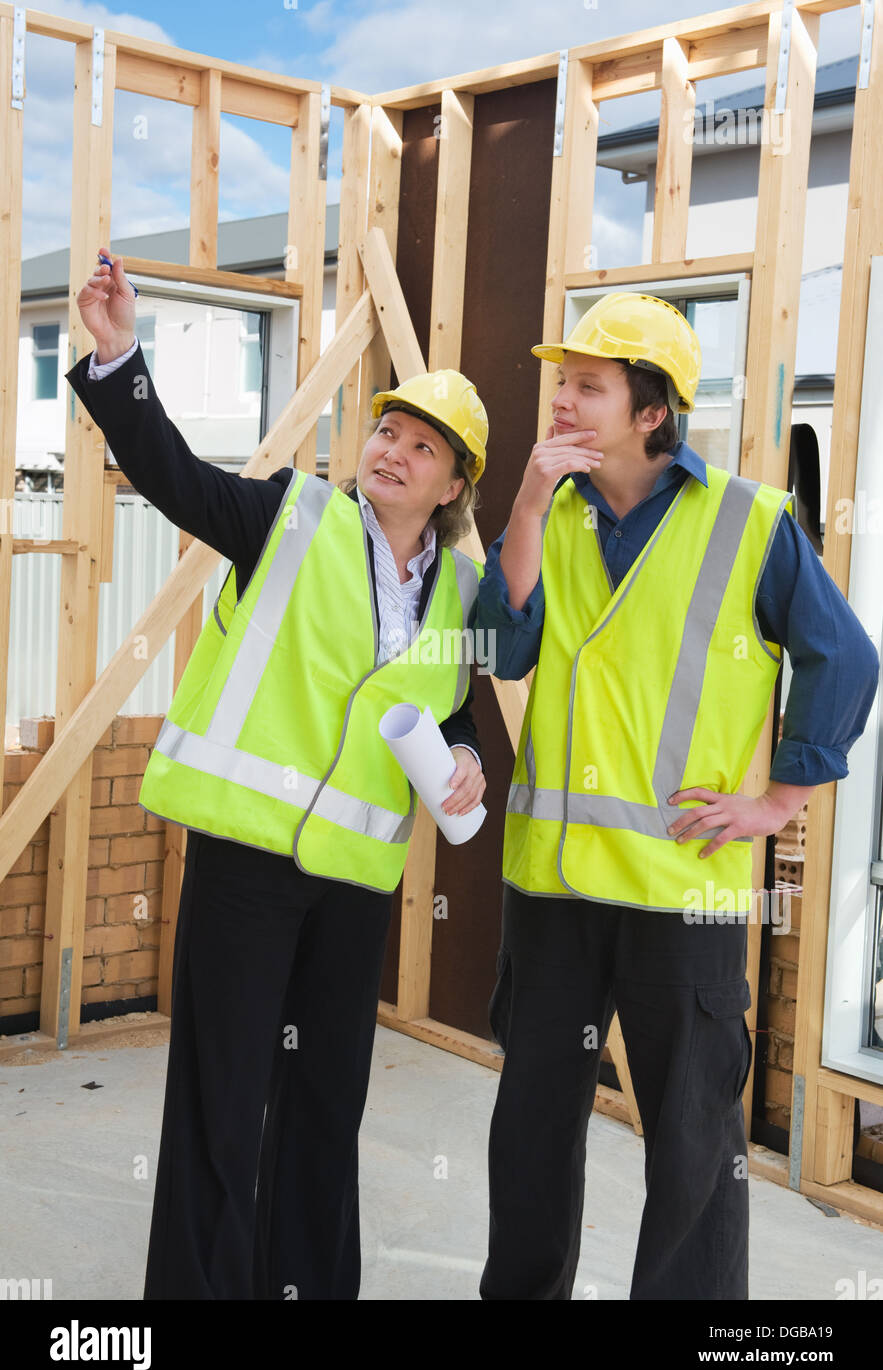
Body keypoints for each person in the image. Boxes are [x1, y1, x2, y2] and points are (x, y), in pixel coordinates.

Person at [66, 247, 489, 1300]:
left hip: (353, 885)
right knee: (222, 1098)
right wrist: (122, 359)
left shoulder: (459, 596)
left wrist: (471, 760)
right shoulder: (289, 519)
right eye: (387, 429)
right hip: (247, 868)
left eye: (421, 444)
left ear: (451, 484)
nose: (392, 449)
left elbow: (456, 715)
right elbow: (172, 475)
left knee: (323, 1102)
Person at [474, 291, 879, 1300]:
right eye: (562, 381)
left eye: (588, 385)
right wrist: (521, 508)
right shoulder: (551, 514)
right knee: (529, 1126)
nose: (563, 400)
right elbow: (494, 647)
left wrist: (777, 804)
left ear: (650, 411)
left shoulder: (746, 519)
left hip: (681, 883)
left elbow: (843, 658)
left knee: (693, 1142)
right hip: (553, 886)